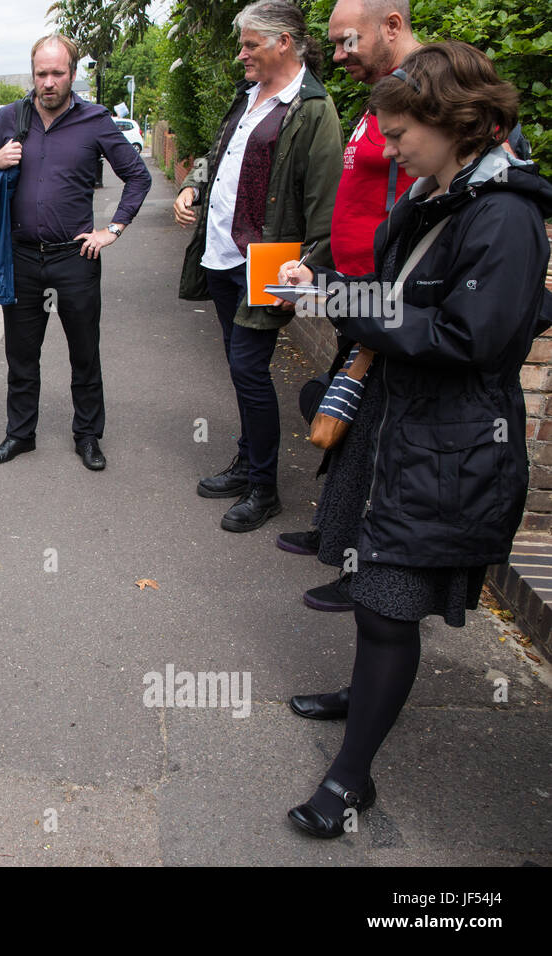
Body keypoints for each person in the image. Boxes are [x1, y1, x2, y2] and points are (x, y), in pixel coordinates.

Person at [277, 41, 552, 837]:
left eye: (400, 135)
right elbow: (407, 296)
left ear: (451, 121)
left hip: (446, 446)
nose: (388, 151)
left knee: (389, 606)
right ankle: (363, 699)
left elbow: (471, 338)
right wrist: (336, 287)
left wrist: (344, 302)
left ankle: (349, 781)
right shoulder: (443, 193)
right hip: (402, 429)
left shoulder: (503, 214)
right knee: (371, 595)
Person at [174, 0, 343, 532]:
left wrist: (313, 263)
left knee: (249, 369)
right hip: (223, 257)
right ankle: (248, 462)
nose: (242, 53)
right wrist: (191, 185)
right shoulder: (248, 97)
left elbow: (325, 200)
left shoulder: (312, 108)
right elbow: (218, 156)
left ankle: (264, 487)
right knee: (238, 364)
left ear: (284, 43)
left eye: (251, 44)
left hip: (268, 264)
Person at [275, 0, 420, 615]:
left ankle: (363, 570)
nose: (335, 57)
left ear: (391, 26)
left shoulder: (428, 101)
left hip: (387, 302)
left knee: (371, 438)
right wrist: (321, 263)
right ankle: (334, 533)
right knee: (347, 422)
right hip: (353, 292)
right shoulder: (380, 98)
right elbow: (359, 200)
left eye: (344, 42)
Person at [0, 33, 151, 472]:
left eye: (57, 73)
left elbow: (137, 176)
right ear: (32, 74)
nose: (48, 82)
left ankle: (88, 436)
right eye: (41, 73)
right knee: (20, 353)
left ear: (72, 74)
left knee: (84, 352)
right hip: (21, 257)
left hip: (75, 257)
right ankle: (20, 435)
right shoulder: (10, 117)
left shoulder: (95, 120)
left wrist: (112, 229)